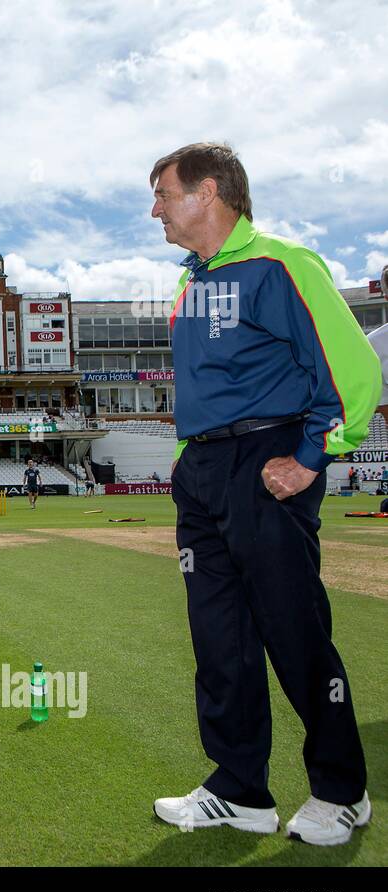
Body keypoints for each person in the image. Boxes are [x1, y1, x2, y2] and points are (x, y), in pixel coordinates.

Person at [149, 142, 379, 845]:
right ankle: (239, 788)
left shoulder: (282, 264)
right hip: (205, 471)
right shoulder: (191, 283)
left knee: (293, 629)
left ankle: (342, 791)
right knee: (220, 642)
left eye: (164, 195)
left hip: (268, 459)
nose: (155, 210)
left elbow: (354, 370)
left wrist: (312, 454)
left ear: (208, 192)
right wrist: (192, 465)